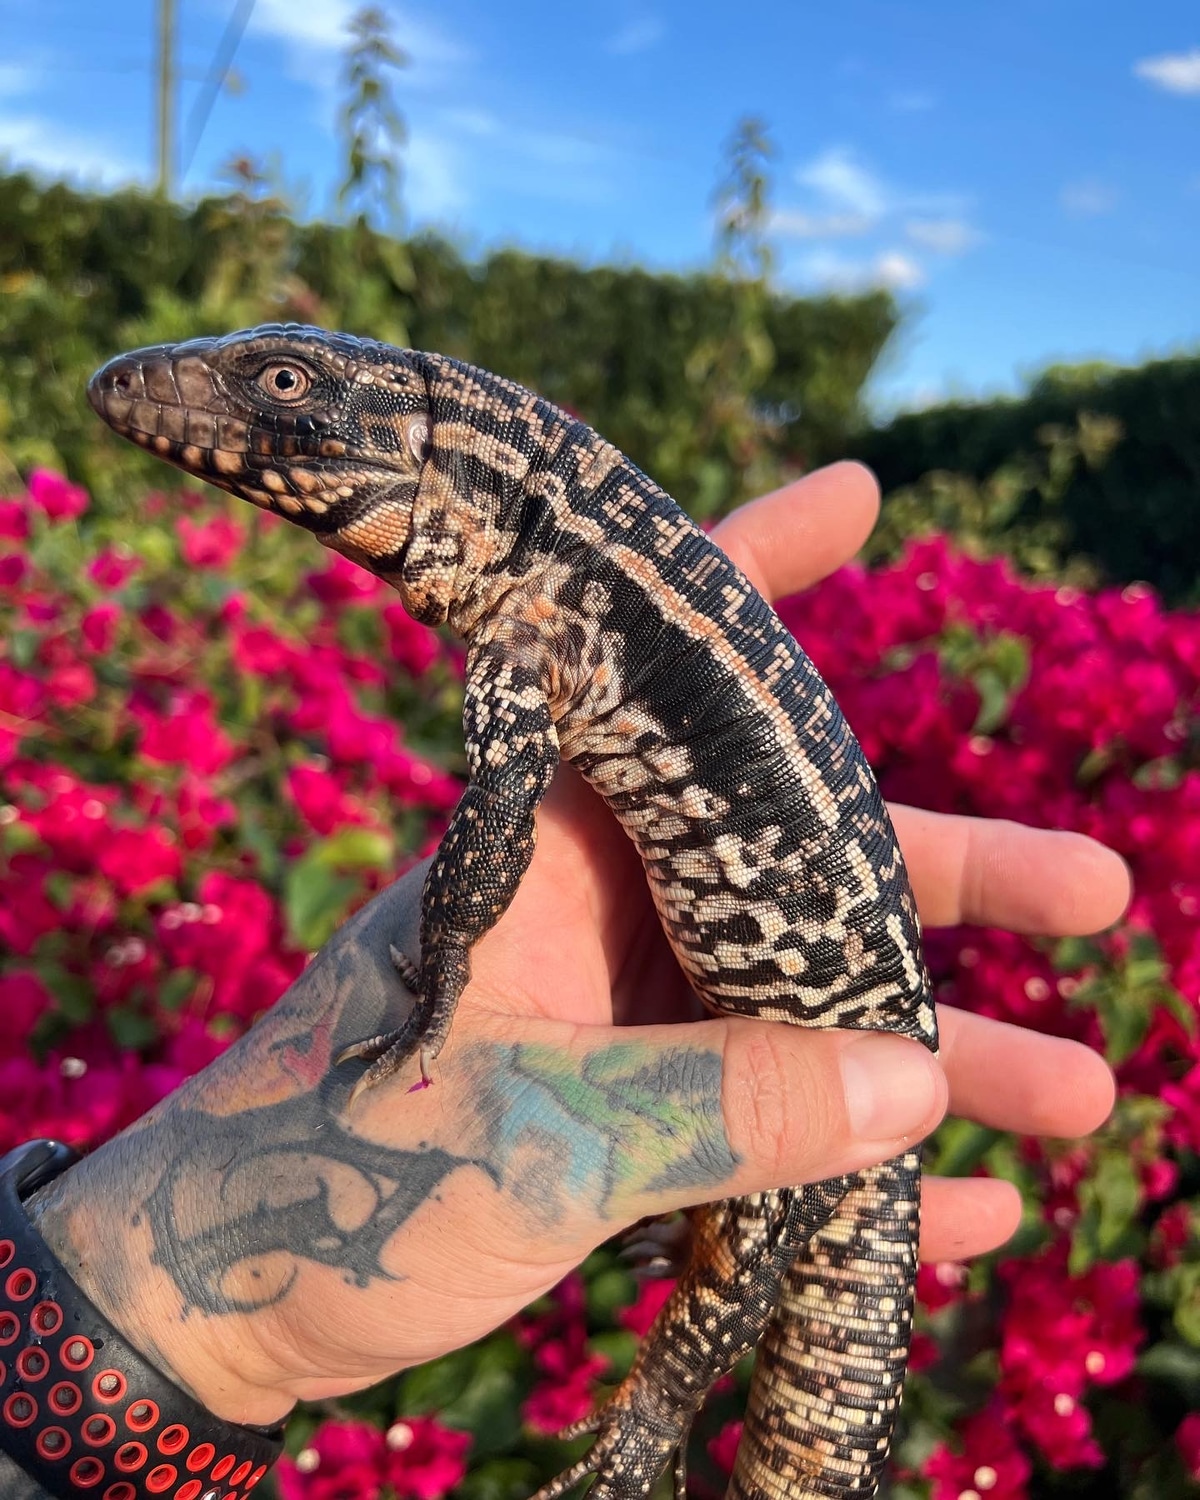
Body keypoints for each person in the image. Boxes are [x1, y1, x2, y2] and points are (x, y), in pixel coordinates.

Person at [3, 465, 1125, 1498]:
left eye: (287, 387)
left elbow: (502, 808)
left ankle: (658, 1415)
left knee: (767, 1285)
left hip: (853, 1136)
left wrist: (661, 1403)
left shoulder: (548, 615)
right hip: (828, 1005)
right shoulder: (564, 608)